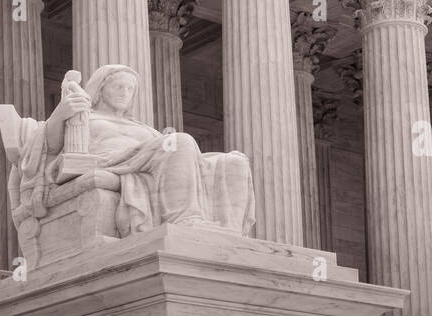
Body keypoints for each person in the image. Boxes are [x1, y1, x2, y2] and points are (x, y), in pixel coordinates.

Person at [18, 65, 255, 237]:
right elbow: (49, 146)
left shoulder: (143, 128)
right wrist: (61, 113)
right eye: (118, 86)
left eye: (130, 89)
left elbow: (183, 161)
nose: (125, 93)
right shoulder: (84, 116)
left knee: (233, 162)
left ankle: (228, 233)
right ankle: (183, 219)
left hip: (145, 163)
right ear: (100, 90)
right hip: (108, 162)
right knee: (180, 141)